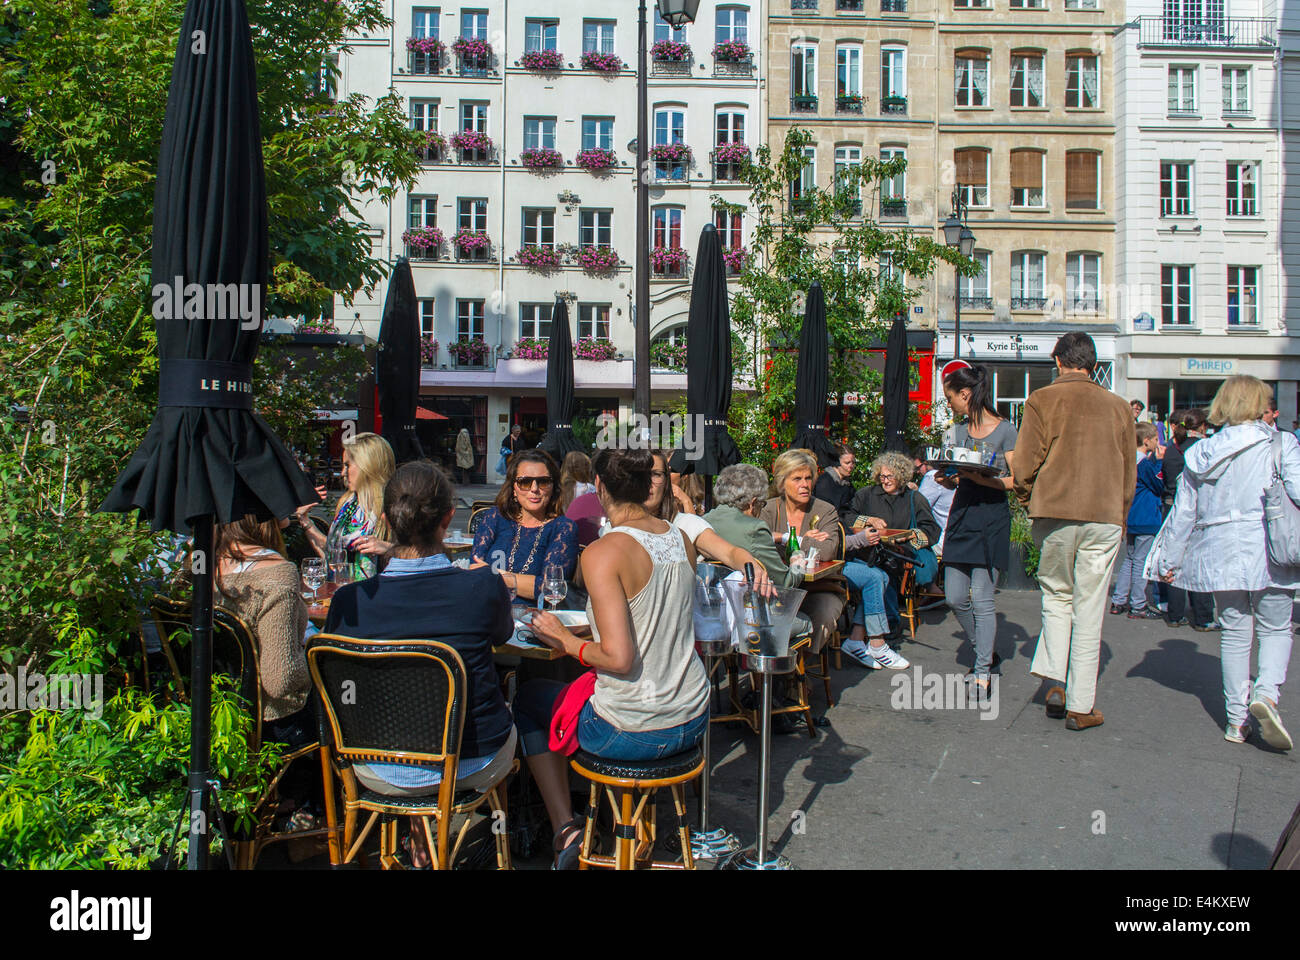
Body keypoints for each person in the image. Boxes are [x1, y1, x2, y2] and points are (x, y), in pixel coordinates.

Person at [516, 449, 710, 868]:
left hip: (634, 729)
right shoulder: (680, 537)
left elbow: (619, 659)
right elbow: (654, 620)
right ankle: (629, 825)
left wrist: (566, 641)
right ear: (648, 487)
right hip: (692, 718)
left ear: (600, 487)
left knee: (529, 699)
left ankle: (566, 828)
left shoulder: (603, 552)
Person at [324, 461, 517, 867]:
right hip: (472, 759)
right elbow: (502, 638)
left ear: (384, 519)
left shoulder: (351, 602)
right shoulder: (482, 586)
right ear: (449, 516)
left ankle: (418, 847)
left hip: (377, 765)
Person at [1146, 375, 1299, 749]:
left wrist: (1170, 559)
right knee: (1276, 627)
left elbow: (1184, 513)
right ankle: (1266, 693)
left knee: (1233, 631)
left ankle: (1236, 720)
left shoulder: (1201, 452)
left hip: (1220, 549)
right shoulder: (1279, 443)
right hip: (1270, 545)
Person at [1013, 332, 1133, 732]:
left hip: (1055, 511)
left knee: (1056, 597)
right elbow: (1129, 474)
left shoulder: (1042, 399)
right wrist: (1119, 512)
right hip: (1104, 514)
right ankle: (1082, 704)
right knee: (1089, 608)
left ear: (1059, 360)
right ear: (1093, 364)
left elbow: (1025, 465)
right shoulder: (1119, 407)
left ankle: (1055, 684)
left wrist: (1030, 498)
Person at [934, 364, 1017, 691]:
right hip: (963, 514)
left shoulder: (1006, 430)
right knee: (955, 597)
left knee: (982, 599)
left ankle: (982, 670)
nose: (949, 404)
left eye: (950, 397)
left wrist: (980, 478)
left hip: (991, 516)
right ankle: (986, 649)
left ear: (965, 394)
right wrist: (950, 479)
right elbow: (957, 477)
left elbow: (1017, 480)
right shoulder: (956, 432)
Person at [213, 515, 312, 746]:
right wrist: (317, 660)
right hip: (268, 721)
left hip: (212, 713)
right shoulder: (276, 573)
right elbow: (280, 679)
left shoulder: (198, 564)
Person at [845, 452, 942, 668]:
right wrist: (868, 520)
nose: (885, 480)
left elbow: (932, 530)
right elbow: (847, 517)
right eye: (882, 476)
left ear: (901, 475)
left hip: (899, 554)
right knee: (875, 574)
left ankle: (881, 627)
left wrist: (909, 536)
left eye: (890, 476)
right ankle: (880, 630)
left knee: (883, 573)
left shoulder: (914, 498)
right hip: (867, 551)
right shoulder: (866, 494)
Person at [647, 451, 774, 593]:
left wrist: (750, 566)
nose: (648, 482)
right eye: (641, 475)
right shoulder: (619, 526)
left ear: (667, 480)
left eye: (656, 474)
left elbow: (730, 553)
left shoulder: (685, 523)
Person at [760, 448, 846, 656]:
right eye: (797, 478)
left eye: (808, 478)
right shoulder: (768, 509)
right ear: (782, 482)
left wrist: (781, 538)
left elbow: (826, 551)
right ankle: (777, 666)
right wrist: (802, 540)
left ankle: (800, 670)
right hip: (776, 588)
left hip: (818, 588)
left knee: (824, 613)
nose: (805, 485)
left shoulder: (825, 510)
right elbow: (759, 543)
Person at [472, 449, 577, 603]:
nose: (534, 489)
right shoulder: (495, 517)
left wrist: (497, 575)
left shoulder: (563, 528)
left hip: (533, 618)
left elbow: (550, 587)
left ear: (553, 487)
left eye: (543, 482)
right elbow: (474, 570)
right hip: (487, 610)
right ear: (514, 488)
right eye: (525, 482)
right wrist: (524, 583)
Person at [295, 432, 395, 580]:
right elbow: (333, 557)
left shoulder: (394, 506)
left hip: (379, 596)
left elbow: (423, 556)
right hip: (343, 592)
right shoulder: (348, 505)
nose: (343, 473)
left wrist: (388, 549)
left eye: (347, 465)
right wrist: (304, 520)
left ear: (368, 466)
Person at [1162, 409, 1218, 630]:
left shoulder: (1172, 448)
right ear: (1202, 426)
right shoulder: (1203, 448)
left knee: (1175, 561)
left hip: (1172, 506)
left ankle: (1175, 614)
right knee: (1200, 563)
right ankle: (1203, 616)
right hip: (1197, 509)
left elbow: (1165, 477)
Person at [1109, 423, 1164, 619]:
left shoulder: (1126, 461)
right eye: (1156, 439)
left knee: (1130, 559)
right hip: (1146, 517)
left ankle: (1119, 599)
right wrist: (1158, 462)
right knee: (1142, 561)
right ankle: (1138, 604)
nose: (1158, 443)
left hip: (1130, 516)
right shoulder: (1146, 464)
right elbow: (1159, 485)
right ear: (1147, 441)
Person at [912, 451, 954, 558]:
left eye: (918, 468)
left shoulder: (931, 476)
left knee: (904, 548)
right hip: (954, 537)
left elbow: (917, 508)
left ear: (926, 463)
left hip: (940, 540)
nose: (918, 472)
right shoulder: (951, 476)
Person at [814, 445, 857, 527]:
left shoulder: (849, 485)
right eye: (847, 463)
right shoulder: (824, 483)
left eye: (853, 463)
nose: (851, 466)